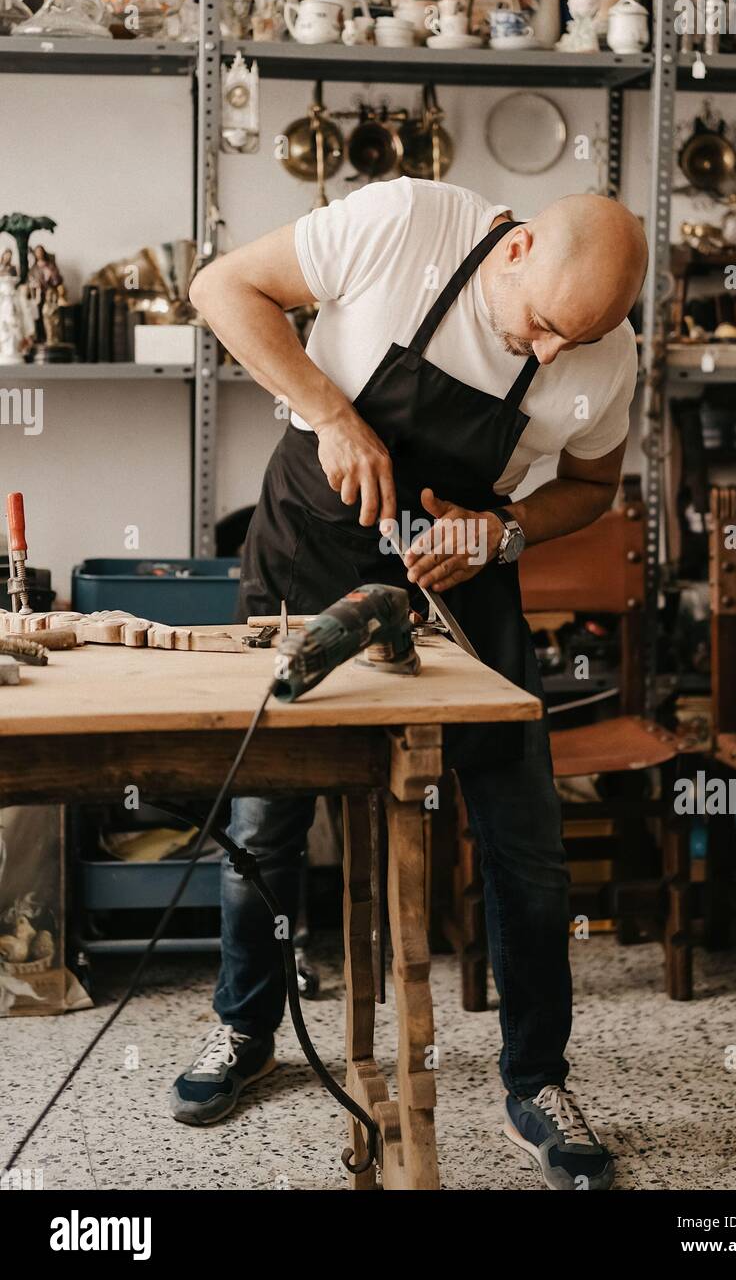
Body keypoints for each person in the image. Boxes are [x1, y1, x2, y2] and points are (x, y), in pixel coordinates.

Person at [176, 178, 647, 1191]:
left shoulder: (601, 349)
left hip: (460, 589)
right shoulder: (401, 224)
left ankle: (536, 1079)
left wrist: (506, 529)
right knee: (263, 823)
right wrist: (331, 413)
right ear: (514, 248)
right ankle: (243, 1027)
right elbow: (220, 288)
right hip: (311, 555)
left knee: (524, 843)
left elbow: (592, 487)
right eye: (547, 327)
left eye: (588, 337)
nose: (556, 354)